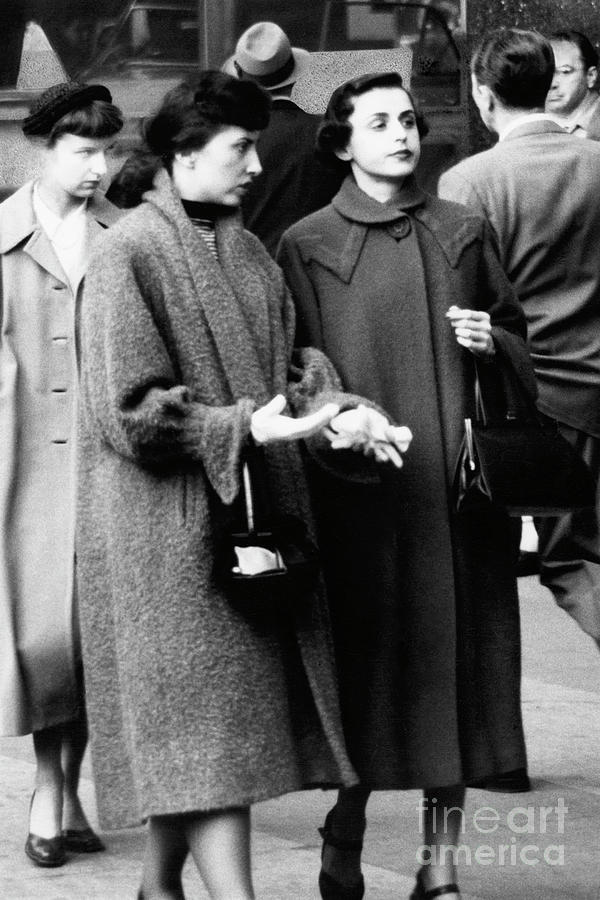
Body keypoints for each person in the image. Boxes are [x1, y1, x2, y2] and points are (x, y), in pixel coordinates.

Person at [75, 71, 406, 900]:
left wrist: (338, 413)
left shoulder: (245, 248)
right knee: (209, 742)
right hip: (165, 545)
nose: (257, 164)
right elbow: (128, 414)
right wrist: (241, 428)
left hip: (233, 528)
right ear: (183, 157)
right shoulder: (128, 255)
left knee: (198, 739)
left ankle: (158, 889)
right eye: (239, 148)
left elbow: (290, 367)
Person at [278, 71, 536, 900]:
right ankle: (345, 827)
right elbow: (297, 371)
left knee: (459, 678)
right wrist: (339, 421)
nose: (401, 133)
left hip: (460, 505)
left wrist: (492, 340)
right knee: (370, 675)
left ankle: (442, 865)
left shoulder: (464, 228)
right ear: (342, 140)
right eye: (380, 122)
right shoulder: (306, 243)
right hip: (362, 503)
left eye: (410, 120)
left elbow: (521, 340)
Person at [438, 29, 600, 655]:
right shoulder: (594, 163)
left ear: (483, 95)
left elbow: (462, 298)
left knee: (569, 562)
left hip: (534, 398)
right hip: (593, 387)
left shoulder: (468, 182)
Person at [0, 80, 123, 868]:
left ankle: (63, 793)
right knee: (43, 637)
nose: (99, 167)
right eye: (83, 152)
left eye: (108, 151)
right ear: (39, 152)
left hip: (110, 464)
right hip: (22, 467)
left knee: (92, 639)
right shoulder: (1, 235)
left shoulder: (124, 235)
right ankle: (52, 789)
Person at [222, 21, 344, 255]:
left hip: (252, 269)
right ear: (296, 76)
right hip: (319, 268)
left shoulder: (228, 139)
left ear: (238, 74)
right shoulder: (328, 133)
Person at [545, 30, 600, 139]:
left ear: (590, 76)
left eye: (565, 72)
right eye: (546, 72)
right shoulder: (526, 123)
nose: (552, 84)